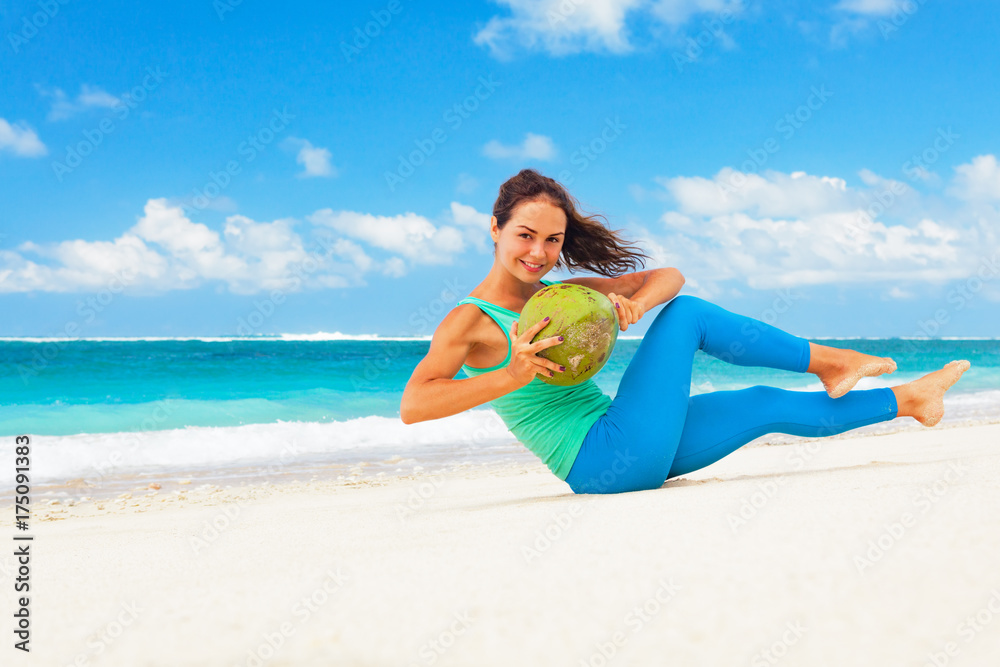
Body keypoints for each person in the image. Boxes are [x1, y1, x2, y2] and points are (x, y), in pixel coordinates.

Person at [399, 169, 972, 494]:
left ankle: (910, 400)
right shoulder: (470, 320)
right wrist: (511, 374)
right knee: (691, 315)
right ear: (495, 228)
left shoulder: (564, 298)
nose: (539, 253)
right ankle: (829, 362)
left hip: (624, 443)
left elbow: (667, 277)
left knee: (761, 404)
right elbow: (415, 404)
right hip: (598, 458)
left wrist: (637, 303)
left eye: (552, 241)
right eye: (525, 235)